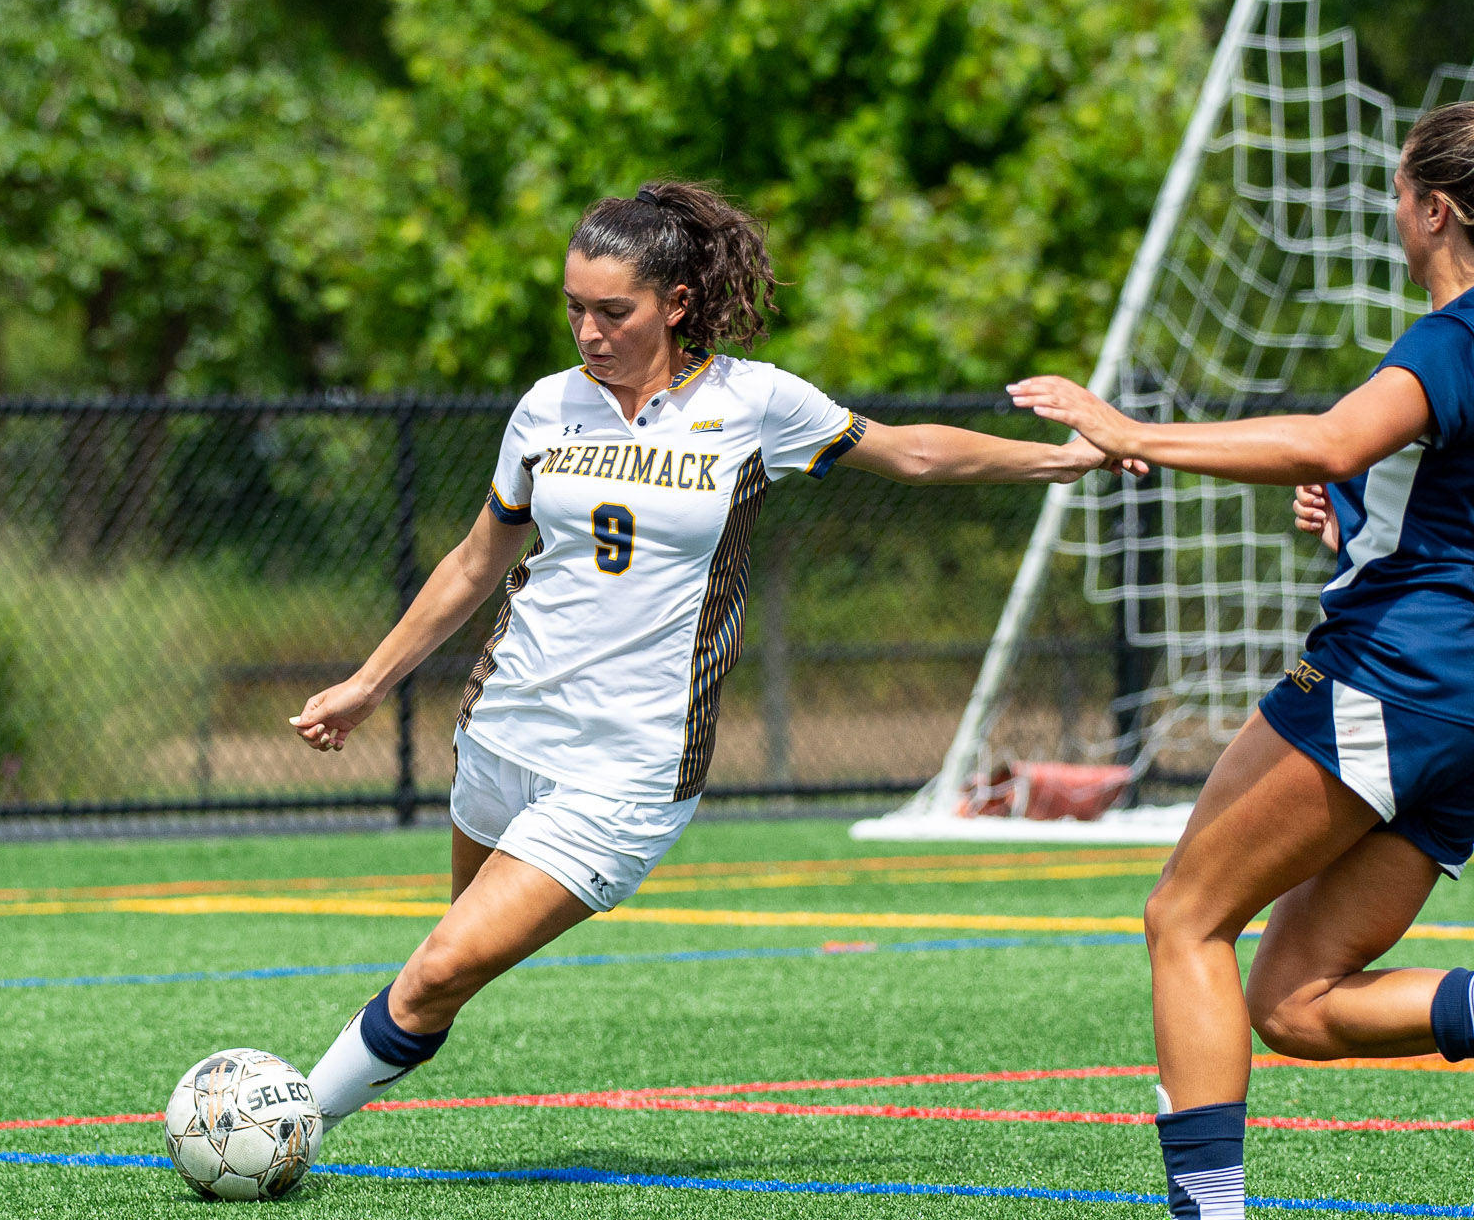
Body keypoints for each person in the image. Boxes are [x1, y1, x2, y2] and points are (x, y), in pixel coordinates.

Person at [288, 180, 1129, 1133]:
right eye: (574, 309)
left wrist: (1066, 458)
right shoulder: (547, 407)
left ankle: (288, 1124)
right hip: (504, 726)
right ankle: (326, 1097)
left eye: (615, 310)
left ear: (676, 304)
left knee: (439, 966)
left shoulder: (753, 403)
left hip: (630, 765)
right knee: (443, 971)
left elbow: (914, 455)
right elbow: (477, 559)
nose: (590, 332)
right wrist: (365, 684)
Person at [1007, 101, 1474, 1220]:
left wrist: (1129, 433)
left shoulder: (1460, 335)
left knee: (1184, 918)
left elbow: (1324, 440)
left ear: (1431, 207)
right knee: (1297, 1002)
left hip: (1385, 681)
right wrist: (1364, 522)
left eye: (1396, 189)